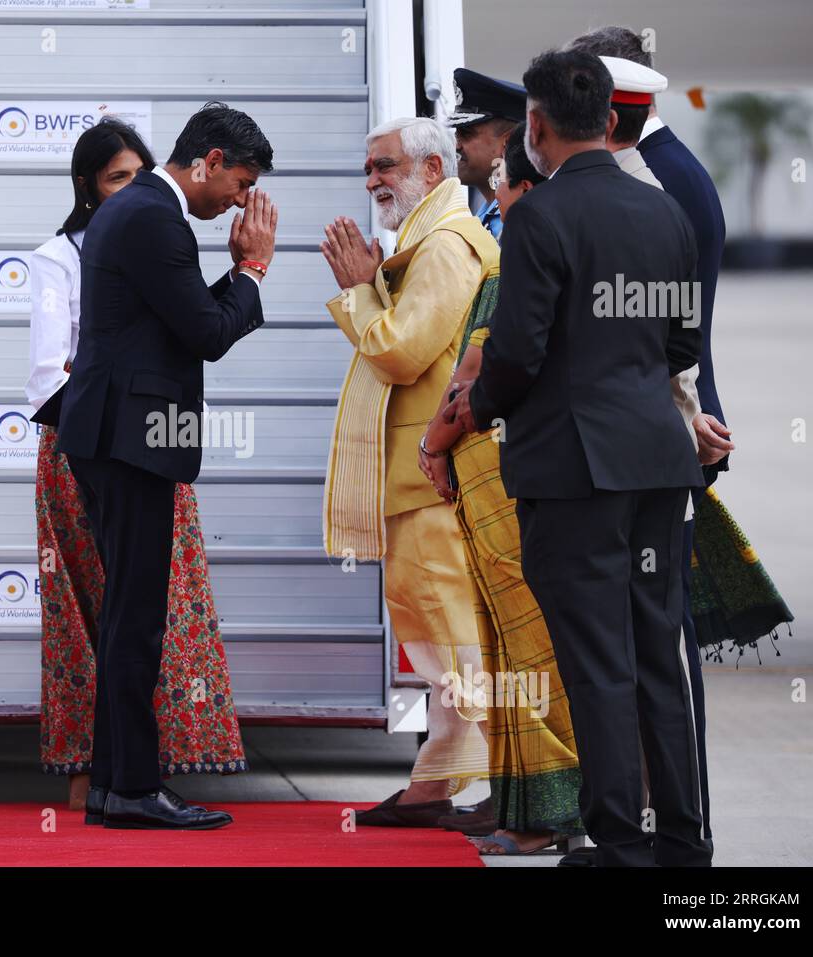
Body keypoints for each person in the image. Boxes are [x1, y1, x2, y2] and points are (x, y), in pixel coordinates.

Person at [442, 49, 711, 867]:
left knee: (598, 666)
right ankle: (682, 846)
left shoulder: (540, 218)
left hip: (573, 472)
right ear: (610, 119)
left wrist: (473, 412)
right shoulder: (667, 215)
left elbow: (517, 352)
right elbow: (679, 342)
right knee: (655, 655)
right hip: (659, 464)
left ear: (537, 124)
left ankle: (621, 846)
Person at [56, 102, 275, 830]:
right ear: (208, 160)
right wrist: (251, 269)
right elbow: (209, 334)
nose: (241, 200)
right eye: (239, 182)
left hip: (115, 434)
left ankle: (120, 784)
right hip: (129, 439)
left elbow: (180, 322)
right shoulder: (155, 216)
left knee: (128, 614)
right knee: (137, 618)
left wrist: (235, 278)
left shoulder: (144, 209)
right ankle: (133, 787)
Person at [568, 25, 734, 864]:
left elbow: (674, 336)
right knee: (642, 644)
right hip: (655, 431)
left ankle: (677, 828)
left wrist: (687, 423)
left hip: (661, 436)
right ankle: (656, 825)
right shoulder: (657, 171)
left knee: (661, 650)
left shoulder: (662, 178)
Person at [319, 117, 499, 829]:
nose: (372, 181)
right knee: (436, 634)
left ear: (431, 170)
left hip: (433, 479)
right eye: (368, 167)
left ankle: (508, 787)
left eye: (385, 165)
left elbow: (399, 352)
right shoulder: (430, 240)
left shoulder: (447, 246)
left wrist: (363, 289)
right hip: (420, 477)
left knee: (453, 638)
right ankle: (436, 785)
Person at [418, 123, 585, 855]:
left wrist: (436, 440)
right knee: (529, 650)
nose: (499, 199)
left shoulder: (519, 256)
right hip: (531, 478)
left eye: (504, 187)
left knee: (529, 652)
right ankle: (536, 813)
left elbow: (479, 371)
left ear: (523, 187)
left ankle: (543, 816)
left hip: (506, 478)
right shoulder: (557, 249)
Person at [446, 68, 527, 240]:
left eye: (466, 133)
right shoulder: (482, 217)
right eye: (455, 134)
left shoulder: (523, 213)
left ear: (508, 141)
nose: (455, 145)